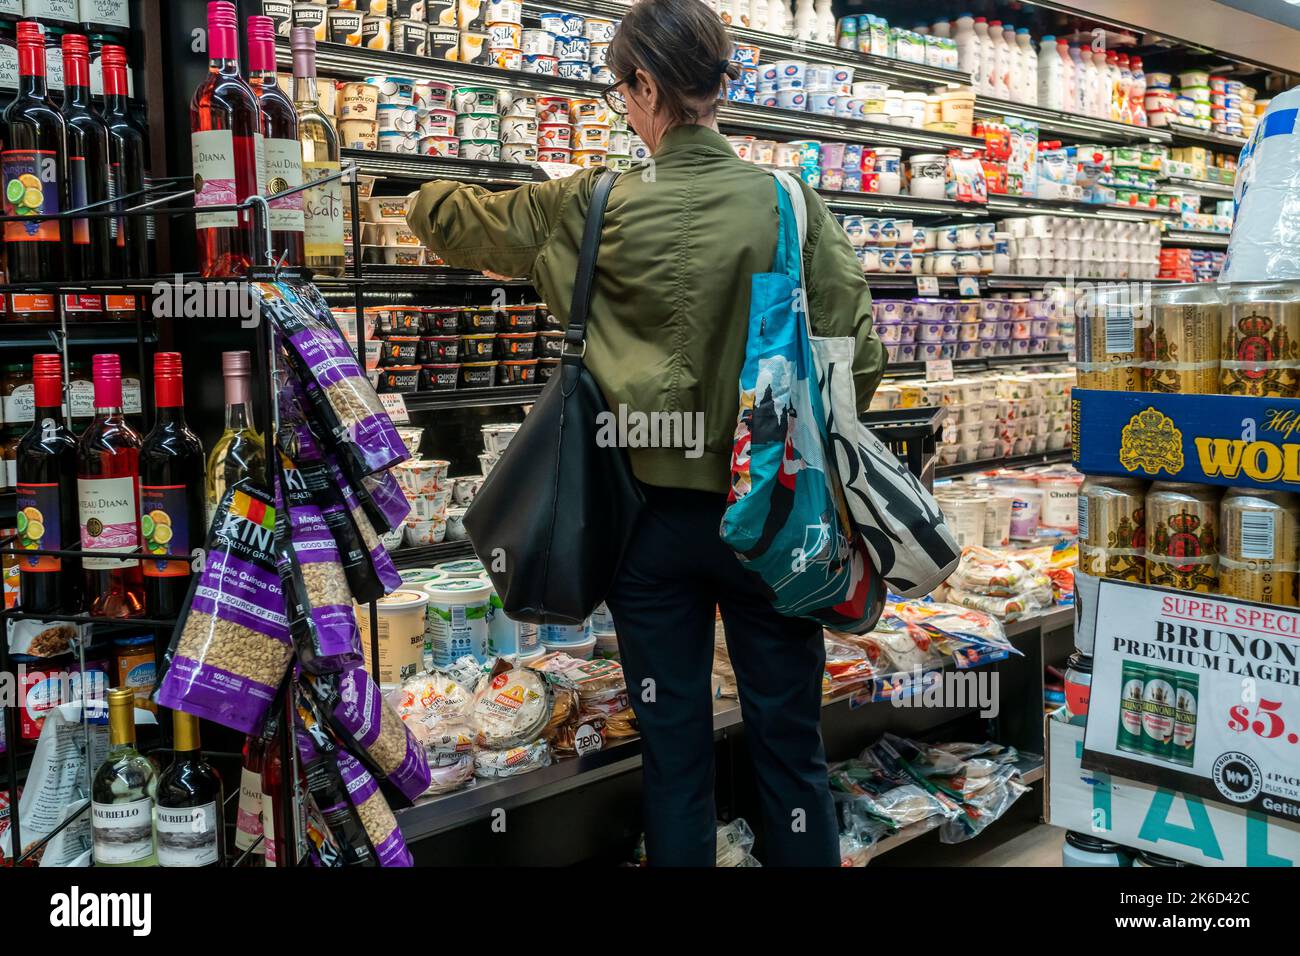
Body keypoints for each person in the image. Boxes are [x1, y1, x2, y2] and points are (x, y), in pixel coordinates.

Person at [406, 0, 884, 866]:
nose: (622, 106)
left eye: (622, 89)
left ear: (649, 86)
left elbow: (454, 216)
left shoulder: (594, 205)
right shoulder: (790, 203)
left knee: (672, 752)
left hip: (644, 531)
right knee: (789, 741)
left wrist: (420, 192)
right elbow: (862, 358)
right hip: (774, 517)